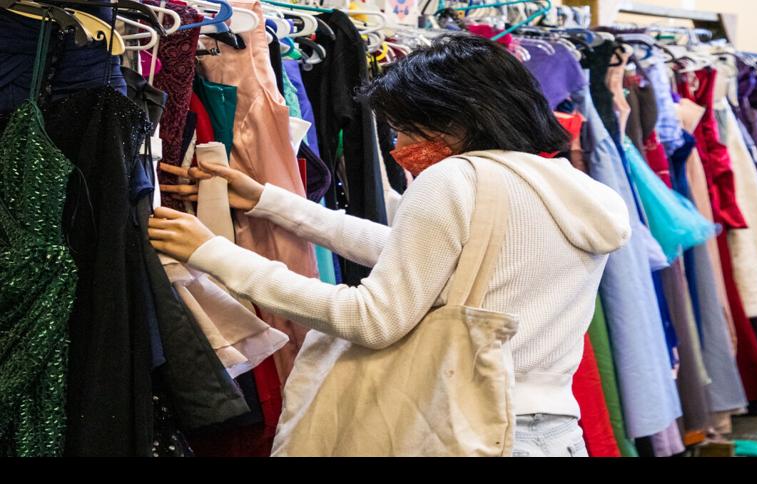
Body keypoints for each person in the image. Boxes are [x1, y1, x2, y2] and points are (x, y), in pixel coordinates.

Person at [147, 34, 631, 456]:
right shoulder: (572, 190)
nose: (399, 143)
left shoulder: (456, 179)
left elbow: (372, 319)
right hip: (552, 433)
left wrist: (214, 254)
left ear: (457, 119)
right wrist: (271, 201)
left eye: (408, 126)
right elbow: (418, 253)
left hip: (461, 429)